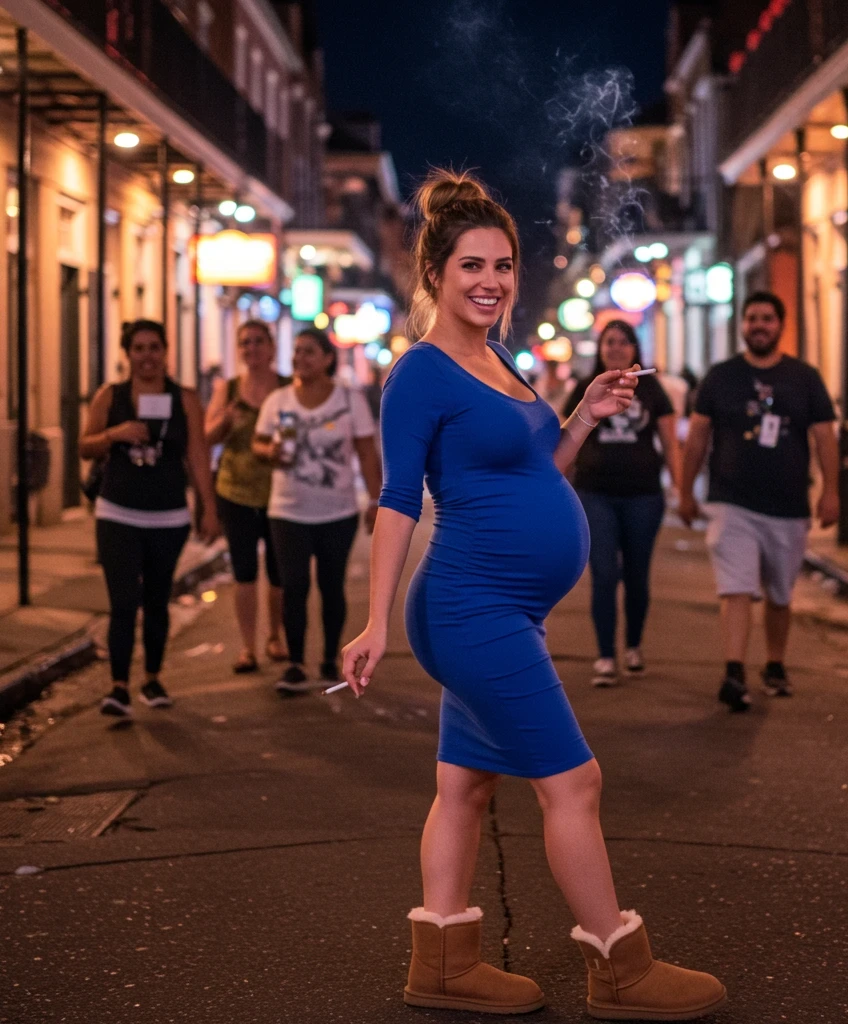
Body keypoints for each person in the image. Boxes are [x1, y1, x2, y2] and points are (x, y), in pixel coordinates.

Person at [341, 170, 726, 1020]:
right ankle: (622, 968)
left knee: (466, 787)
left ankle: (442, 960)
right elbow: (400, 501)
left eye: (504, 265)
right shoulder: (421, 374)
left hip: (505, 610)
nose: (491, 281)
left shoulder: (501, 358)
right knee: (575, 782)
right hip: (469, 608)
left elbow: (534, 473)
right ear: (435, 273)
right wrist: (373, 622)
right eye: (472, 265)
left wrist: (582, 416)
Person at [679, 290, 840, 711]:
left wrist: (832, 492)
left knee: (780, 594)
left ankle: (775, 664)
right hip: (732, 502)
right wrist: (685, 490)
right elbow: (697, 437)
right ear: (742, 325)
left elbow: (824, 436)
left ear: (780, 325)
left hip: (789, 505)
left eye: (767, 319)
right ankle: (734, 672)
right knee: (736, 588)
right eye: (752, 318)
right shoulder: (721, 377)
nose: (759, 325)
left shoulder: (804, 378)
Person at [79, 319, 219, 719]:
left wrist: (208, 509)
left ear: (165, 352)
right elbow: (85, 446)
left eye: (153, 347)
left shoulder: (185, 398)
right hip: (117, 513)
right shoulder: (112, 396)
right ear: (128, 354)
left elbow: (197, 455)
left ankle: (153, 678)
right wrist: (115, 434)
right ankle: (118, 687)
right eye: (138, 348)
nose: (146, 356)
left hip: (167, 516)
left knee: (157, 600)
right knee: (123, 601)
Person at [253, 328, 382, 694]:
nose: (300, 359)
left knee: (330, 585)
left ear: (328, 358)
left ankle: (328, 659)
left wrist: (375, 501)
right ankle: (295, 663)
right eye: (296, 352)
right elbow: (259, 443)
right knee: (293, 585)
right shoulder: (278, 401)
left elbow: (366, 452)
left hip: (336, 511)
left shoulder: (348, 399)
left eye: (309, 352)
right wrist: (270, 452)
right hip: (287, 510)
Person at [564, 320, 678, 687]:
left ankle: (633, 646)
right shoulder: (586, 387)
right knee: (604, 573)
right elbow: (565, 436)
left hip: (643, 494)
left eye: (623, 342)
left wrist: (682, 489)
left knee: (637, 575)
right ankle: (605, 655)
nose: (616, 348)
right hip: (594, 493)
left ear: (634, 349)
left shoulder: (652, 388)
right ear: (600, 348)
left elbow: (670, 442)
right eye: (609, 342)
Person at [205, 321, 291, 673]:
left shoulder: (287, 387)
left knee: (278, 572)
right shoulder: (229, 389)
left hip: (280, 493)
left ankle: (276, 637)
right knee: (244, 573)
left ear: (270, 348)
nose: (251, 348)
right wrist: (224, 421)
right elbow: (207, 437)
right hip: (235, 491)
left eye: (257, 342)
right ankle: (247, 647)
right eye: (245, 343)